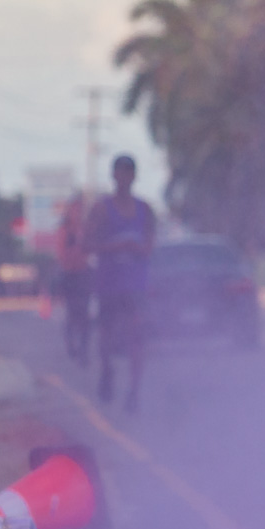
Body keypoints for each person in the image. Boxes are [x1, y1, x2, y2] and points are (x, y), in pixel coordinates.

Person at [87, 155, 155, 410]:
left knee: (138, 337)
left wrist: (140, 249)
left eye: (129, 173)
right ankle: (107, 370)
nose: (124, 178)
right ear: (113, 175)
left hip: (136, 285)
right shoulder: (102, 209)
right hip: (109, 283)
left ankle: (134, 392)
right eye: (120, 173)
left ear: (134, 176)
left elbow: (150, 243)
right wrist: (117, 246)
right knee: (105, 334)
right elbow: (87, 244)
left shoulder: (145, 210)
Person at [56, 192, 93, 363]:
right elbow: (62, 255)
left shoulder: (85, 230)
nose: (78, 213)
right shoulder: (65, 230)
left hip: (83, 275)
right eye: (75, 210)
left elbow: (90, 251)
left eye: (80, 210)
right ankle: (71, 345)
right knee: (72, 313)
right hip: (70, 276)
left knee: (85, 315)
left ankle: (84, 350)